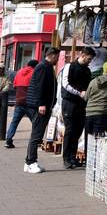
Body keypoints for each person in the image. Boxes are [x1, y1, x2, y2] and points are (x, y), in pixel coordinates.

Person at [23, 45, 60, 173]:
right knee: (36, 135)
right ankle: (31, 162)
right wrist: (42, 104)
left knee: (36, 134)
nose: (57, 60)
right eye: (57, 57)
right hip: (39, 107)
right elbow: (40, 87)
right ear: (53, 55)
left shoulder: (46, 67)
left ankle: (29, 161)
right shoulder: (43, 67)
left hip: (42, 106)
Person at [59, 46, 95, 170]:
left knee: (78, 130)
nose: (89, 62)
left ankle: (73, 157)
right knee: (70, 130)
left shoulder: (87, 70)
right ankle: (67, 159)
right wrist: (79, 92)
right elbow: (65, 84)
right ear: (83, 55)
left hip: (81, 104)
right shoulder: (70, 67)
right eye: (89, 59)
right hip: (69, 103)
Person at [5, 60, 35, 147]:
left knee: (14, 122)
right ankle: (36, 140)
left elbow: (14, 86)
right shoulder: (34, 73)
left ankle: (8, 140)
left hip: (19, 101)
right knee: (35, 122)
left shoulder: (19, 73)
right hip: (30, 102)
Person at [0, 66, 11, 140]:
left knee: (3, 115)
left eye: (1, 69)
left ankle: (2, 135)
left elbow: (7, 85)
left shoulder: (6, 77)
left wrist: (2, 90)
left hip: (2, 95)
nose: (0, 70)